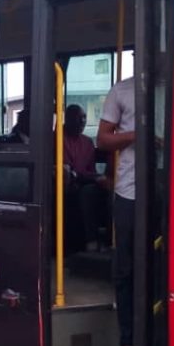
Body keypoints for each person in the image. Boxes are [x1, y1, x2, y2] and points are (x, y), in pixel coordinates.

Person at [97, 77, 135, 346]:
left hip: (168, 189)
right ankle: (129, 342)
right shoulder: (122, 90)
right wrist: (137, 136)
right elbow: (103, 139)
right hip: (130, 192)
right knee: (126, 268)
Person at [63, 104, 107, 251]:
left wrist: (97, 178)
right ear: (68, 119)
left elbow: (90, 169)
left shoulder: (87, 142)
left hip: (86, 182)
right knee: (86, 193)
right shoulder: (58, 139)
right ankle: (91, 241)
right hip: (67, 185)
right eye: (78, 117)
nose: (82, 121)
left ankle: (108, 241)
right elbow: (68, 170)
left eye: (84, 117)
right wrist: (92, 177)